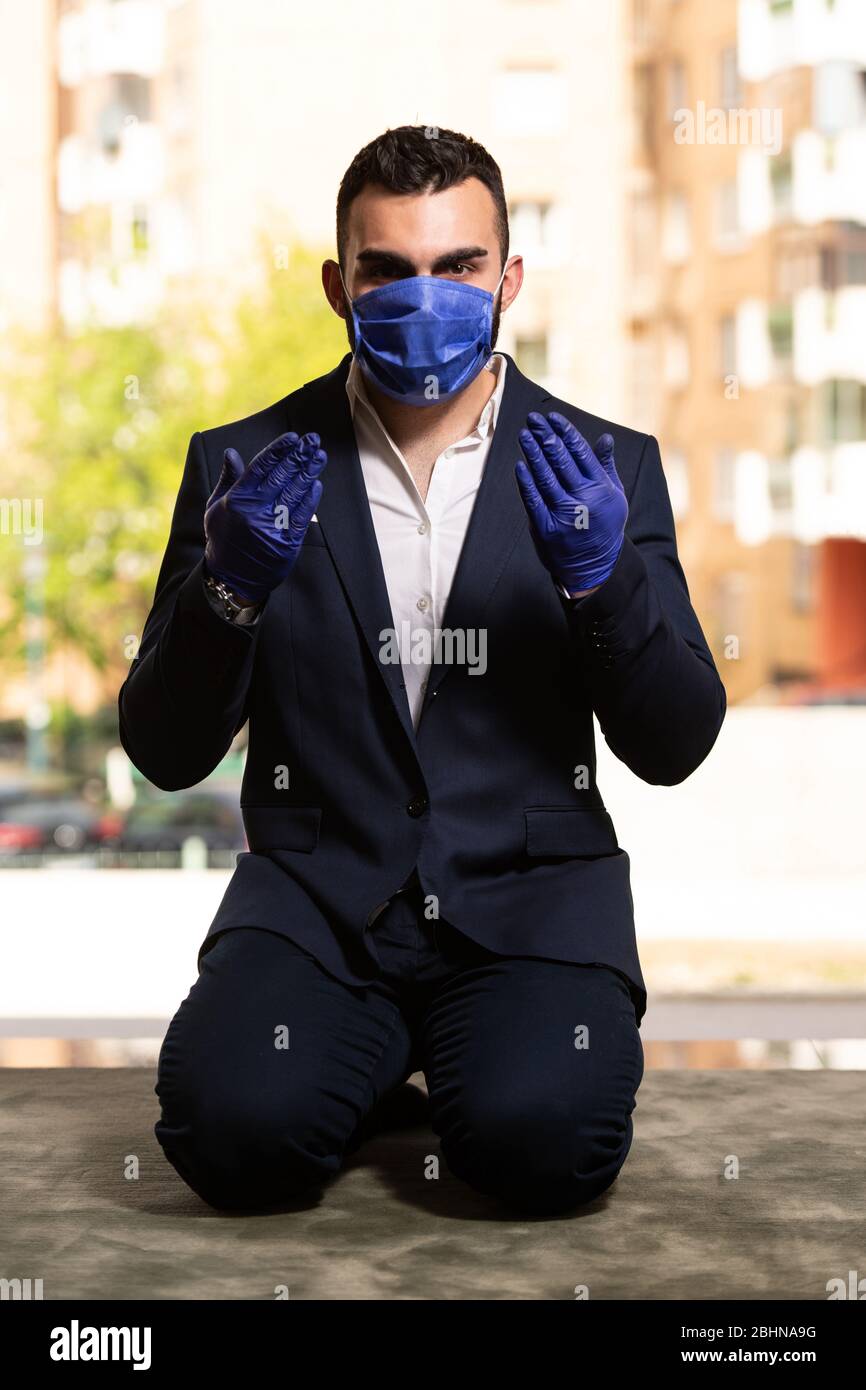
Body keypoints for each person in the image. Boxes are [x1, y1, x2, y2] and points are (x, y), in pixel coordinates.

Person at [119, 125, 726, 1217]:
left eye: (458, 267)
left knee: (543, 1146)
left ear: (509, 279)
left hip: (530, 905)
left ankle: (470, 1065)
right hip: (318, 908)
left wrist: (604, 585)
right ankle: (374, 1058)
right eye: (386, 270)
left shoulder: (607, 465)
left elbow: (674, 743)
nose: (425, 295)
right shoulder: (240, 466)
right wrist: (229, 594)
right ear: (336, 286)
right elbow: (164, 754)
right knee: (232, 1138)